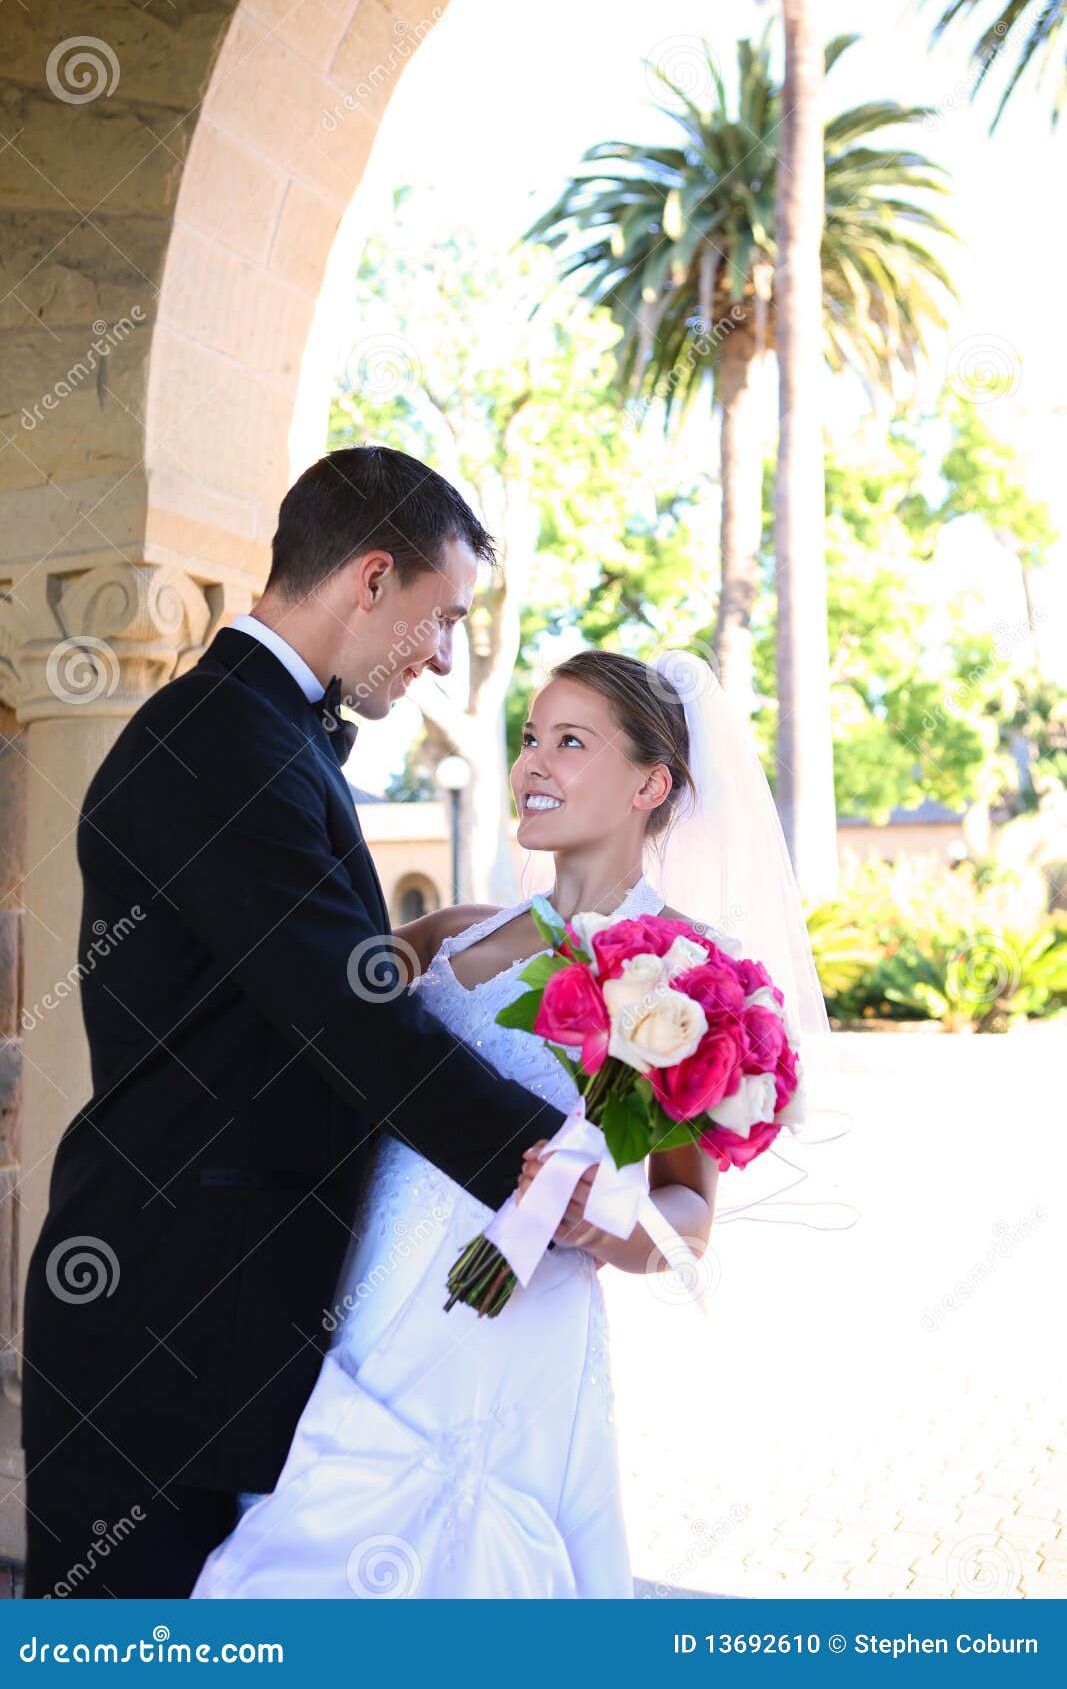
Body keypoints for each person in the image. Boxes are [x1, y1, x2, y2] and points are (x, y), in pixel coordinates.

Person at [19, 446, 580, 1599]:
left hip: (215, 1312)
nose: (439, 655)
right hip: (170, 1321)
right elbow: (345, 1013)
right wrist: (545, 1162)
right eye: (441, 617)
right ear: (371, 577)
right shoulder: (223, 737)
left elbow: (295, 980)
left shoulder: (256, 727)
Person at [191, 650, 720, 1598]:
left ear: (651, 781)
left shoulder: (690, 977)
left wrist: (602, 1218)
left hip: (504, 1343)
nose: (531, 765)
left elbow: (689, 1217)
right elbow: (285, 1005)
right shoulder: (449, 933)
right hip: (353, 1293)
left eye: (569, 741)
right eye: (527, 738)